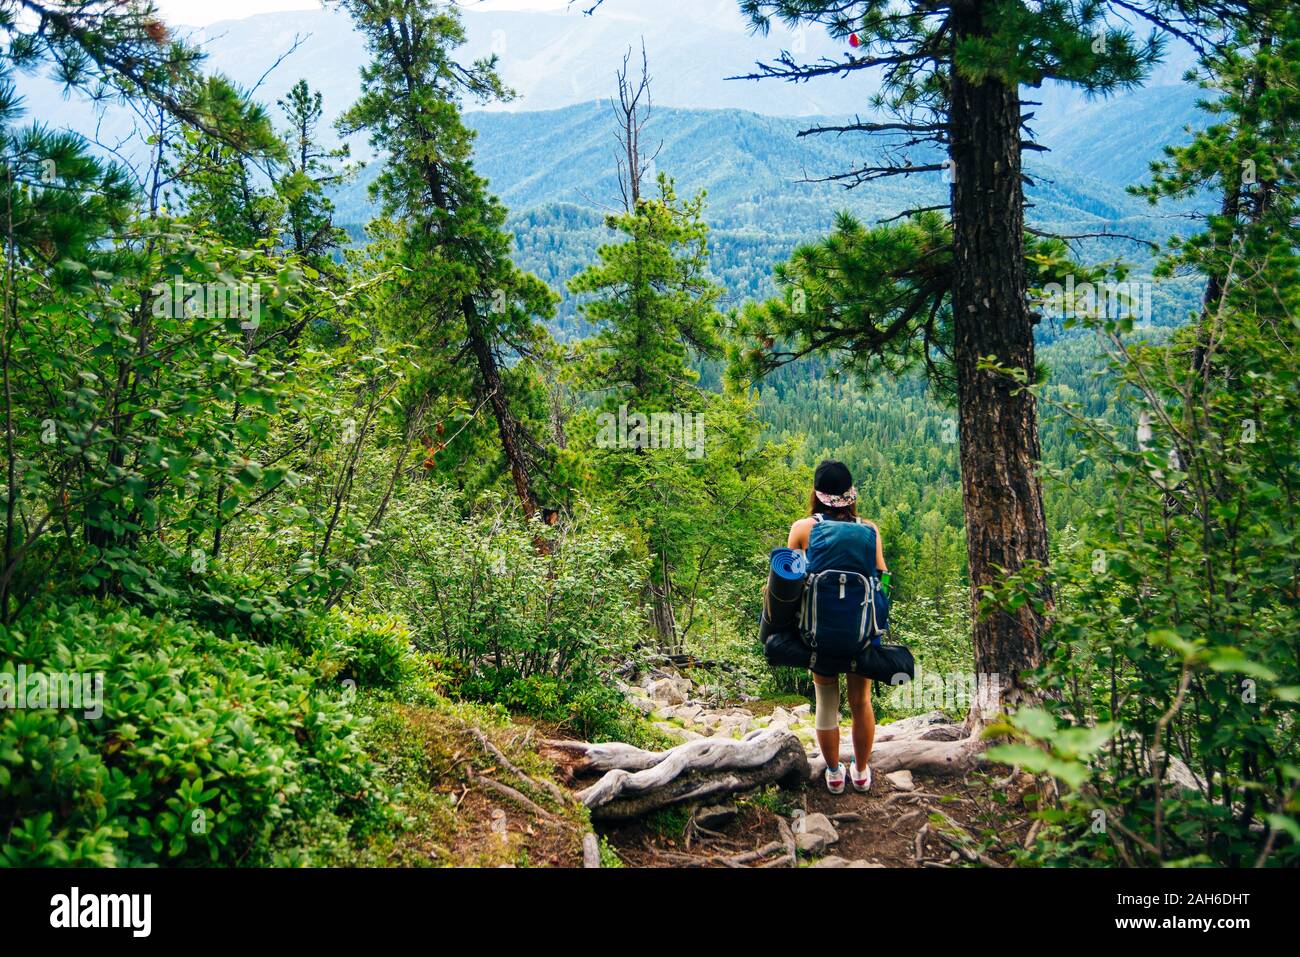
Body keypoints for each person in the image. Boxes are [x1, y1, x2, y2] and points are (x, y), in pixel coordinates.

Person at [787, 460, 887, 794]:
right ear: (849, 495)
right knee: (861, 703)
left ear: (817, 494)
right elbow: (881, 581)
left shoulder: (803, 529)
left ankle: (833, 772)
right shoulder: (869, 530)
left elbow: (788, 581)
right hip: (860, 635)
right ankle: (860, 772)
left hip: (820, 635)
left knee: (827, 702)